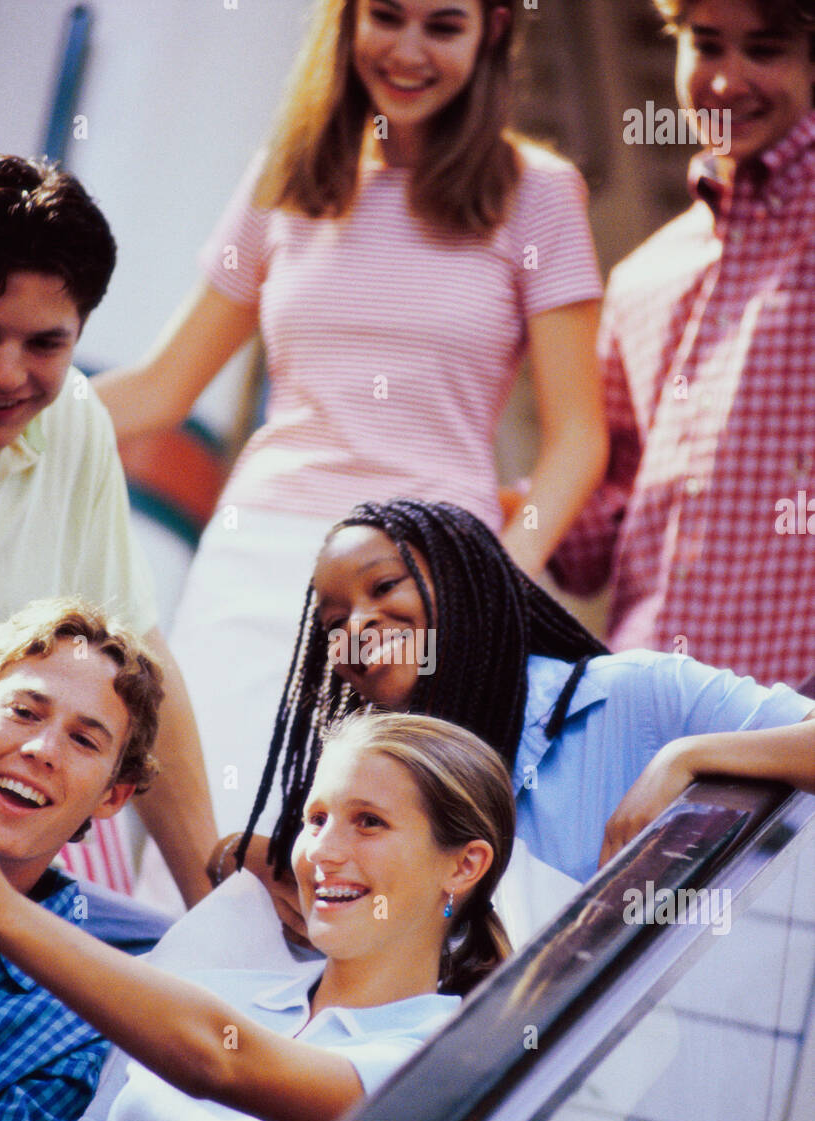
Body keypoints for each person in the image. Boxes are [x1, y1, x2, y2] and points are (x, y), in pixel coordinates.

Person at [94, 0, 607, 850]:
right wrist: (7, 412)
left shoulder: (539, 195)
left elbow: (577, 439)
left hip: (429, 575)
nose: (408, 51)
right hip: (258, 561)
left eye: (443, 26)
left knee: (381, 847)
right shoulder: (284, 180)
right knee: (213, 838)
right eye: (386, 17)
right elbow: (160, 386)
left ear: (490, 39)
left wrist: (490, 580)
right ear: (346, 21)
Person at [0, 711, 513, 1121]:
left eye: (368, 823)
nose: (323, 850)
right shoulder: (199, 994)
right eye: (316, 819)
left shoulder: (455, 1051)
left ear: (464, 865)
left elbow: (217, 1061)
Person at [210, 499, 815, 913]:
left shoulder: (635, 693)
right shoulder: (363, 789)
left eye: (385, 586)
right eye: (333, 621)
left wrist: (685, 757)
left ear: (460, 581)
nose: (359, 625)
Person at [0, 153, 216, 904]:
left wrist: (215, 910)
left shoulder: (74, 420)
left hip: (23, 850)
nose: (5, 373)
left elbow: (135, 665)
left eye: (44, 345)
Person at [549, 0, 815, 687]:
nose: (727, 81)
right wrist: (483, 500)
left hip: (796, 718)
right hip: (653, 726)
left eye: (764, 49)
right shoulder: (643, 278)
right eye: (706, 46)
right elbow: (591, 537)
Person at [0, 597, 165, 1121]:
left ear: (112, 797)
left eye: (83, 739)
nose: (43, 749)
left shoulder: (81, 1017)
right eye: (23, 712)